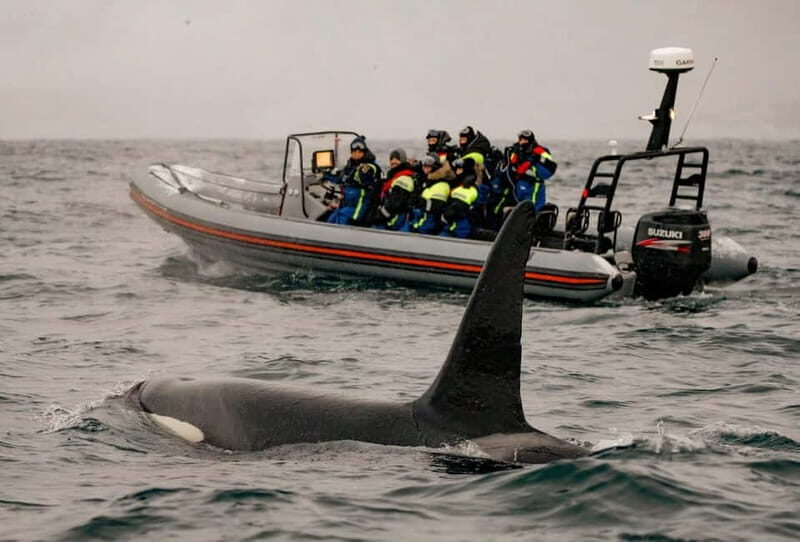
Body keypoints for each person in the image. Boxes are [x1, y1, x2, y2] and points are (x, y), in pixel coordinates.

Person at [326, 136, 381, 226]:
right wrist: (325, 175)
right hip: (346, 205)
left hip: (356, 209)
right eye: (354, 152)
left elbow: (364, 198)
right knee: (331, 219)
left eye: (359, 152)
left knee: (340, 222)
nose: (357, 154)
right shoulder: (351, 166)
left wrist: (355, 217)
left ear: (364, 152)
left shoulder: (368, 167)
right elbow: (341, 178)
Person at [508, 129, 557, 212]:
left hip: (534, 184)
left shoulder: (538, 151)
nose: (522, 142)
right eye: (521, 139)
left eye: (524, 140)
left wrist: (532, 160)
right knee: (520, 205)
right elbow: (513, 166)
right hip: (520, 184)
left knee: (533, 207)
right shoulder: (516, 150)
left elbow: (549, 168)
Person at [404, 153, 452, 235]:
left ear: (435, 168)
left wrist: (420, 202)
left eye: (428, 167)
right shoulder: (427, 182)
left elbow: (435, 210)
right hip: (418, 221)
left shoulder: (441, 185)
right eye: (424, 166)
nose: (425, 170)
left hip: (426, 228)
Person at [371, 148, 416, 230]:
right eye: (391, 159)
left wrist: (379, 216)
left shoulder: (404, 178)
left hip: (395, 219)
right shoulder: (393, 176)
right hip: (389, 215)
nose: (393, 161)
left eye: (396, 159)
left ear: (402, 160)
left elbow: (396, 203)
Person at [439, 157, 479, 239]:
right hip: (454, 226)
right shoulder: (456, 185)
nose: (457, 172)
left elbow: (456, 210)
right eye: (456, 170)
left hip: (458, 228)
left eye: (460, 170)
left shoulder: (469, 189)